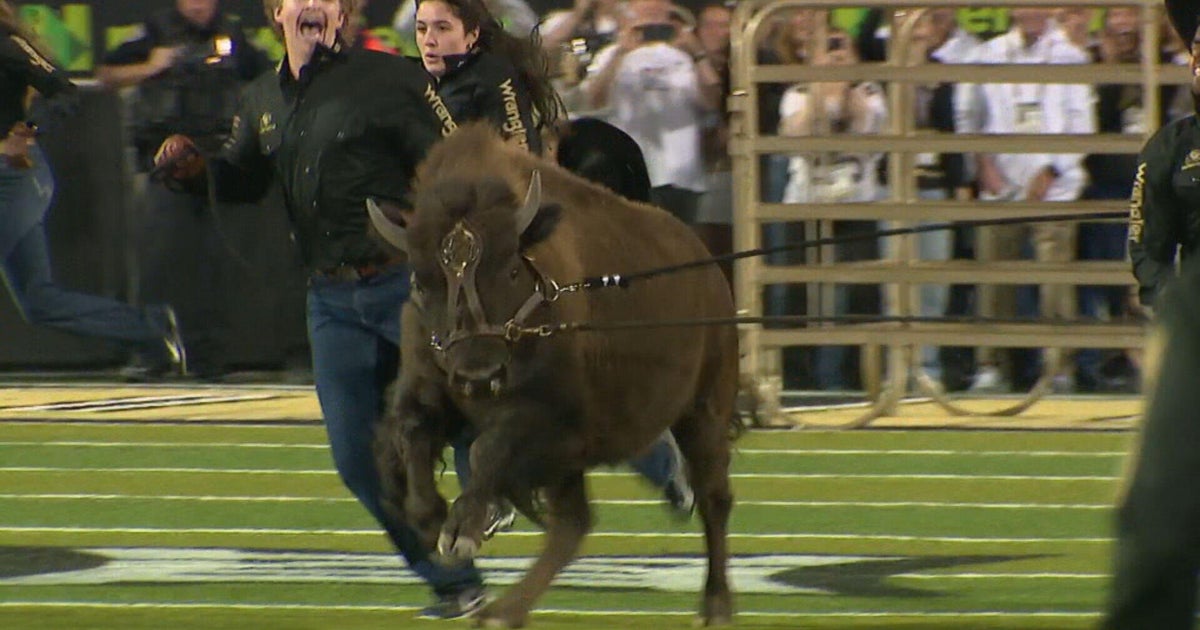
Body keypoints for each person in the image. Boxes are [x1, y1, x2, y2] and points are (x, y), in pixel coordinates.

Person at [155, 0, 482, 618]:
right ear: (275, 12)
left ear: (343, 13)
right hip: (330, 300)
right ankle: (451, 580)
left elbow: (453, 158)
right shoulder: (259, 99)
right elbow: (245, 175)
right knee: (357, 460)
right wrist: (198, 172)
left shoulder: (392, 78)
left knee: (474, 414)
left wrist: (441, 223)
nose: (313, 4)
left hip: (406, 286)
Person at [411, 0, 696, 518]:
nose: (429, 40)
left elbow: (522, 163)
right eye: (422, 29)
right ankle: (487, 488)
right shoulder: (416, 85)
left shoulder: (493, 78)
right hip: (462, 256)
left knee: (566, 383)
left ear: (471, 34)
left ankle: (656, 459)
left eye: (442, 29)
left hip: (517, 247)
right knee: (457, 368)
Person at [0, 1, 185, 375]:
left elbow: (64, 90)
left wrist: (29, 129)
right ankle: (148, 328)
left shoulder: (7, 44)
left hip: (14, 178)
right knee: (39, 302)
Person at [97, 0, 272, 382]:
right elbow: (107, 74)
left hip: (213, 162)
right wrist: (151, 66)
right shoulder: (154, 31)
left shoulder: (233, 33)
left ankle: (207, 358)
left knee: (211, 265)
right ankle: (150, 353)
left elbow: (267, 77)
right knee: (155, 264)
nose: (199, 5)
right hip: (164, 165)